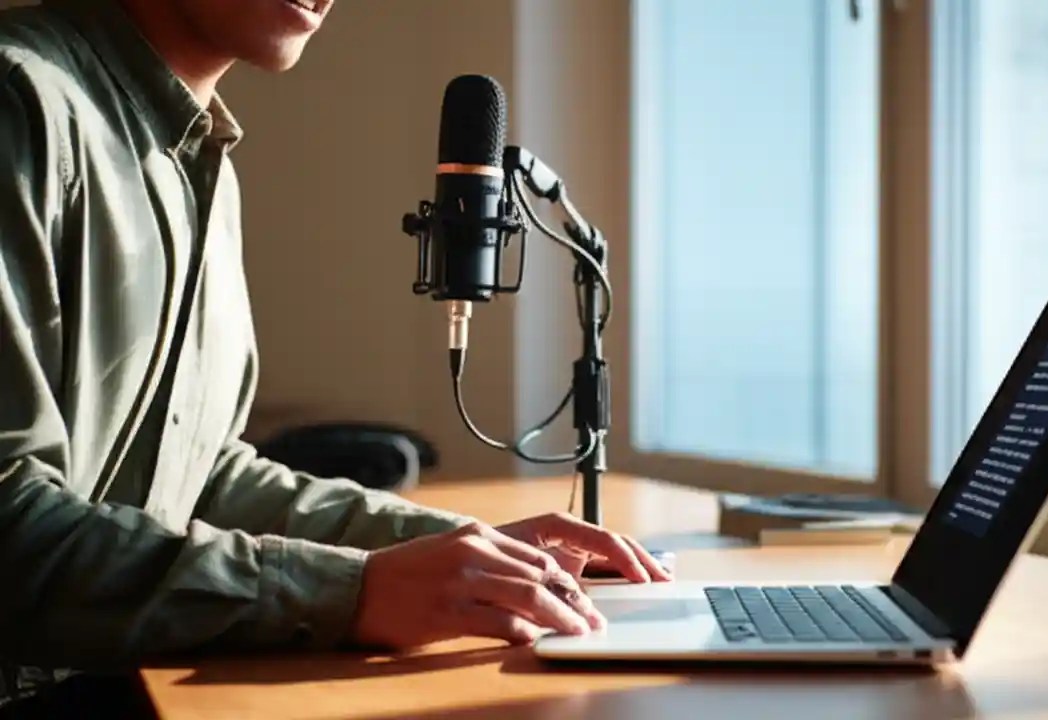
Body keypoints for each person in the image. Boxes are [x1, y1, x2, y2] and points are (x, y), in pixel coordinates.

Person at [0, 0, 670, 712]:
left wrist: (460, 550)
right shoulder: (21, 102)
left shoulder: (201, 162)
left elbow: (198, 475)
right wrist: (351, 591)